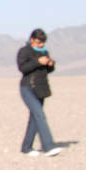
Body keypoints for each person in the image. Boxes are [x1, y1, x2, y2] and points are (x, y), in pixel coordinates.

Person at [17, 28, 61, 157]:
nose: (41, 45)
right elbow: (23, 68)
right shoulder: (24, 51)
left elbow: (46, 71)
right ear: (32, 40)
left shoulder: (44, 52)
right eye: (38, 42)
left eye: (42, 42)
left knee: (35, 119)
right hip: (27, 88)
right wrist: (37, 62)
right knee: (40, 115)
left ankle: (26, 147)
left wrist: (50, 64)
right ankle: (48, 146)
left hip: (40, 89)